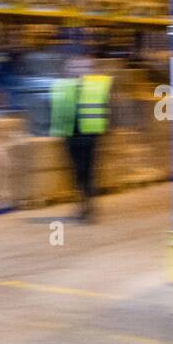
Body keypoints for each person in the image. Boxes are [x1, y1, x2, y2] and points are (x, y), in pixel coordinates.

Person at [49, 55, 112, 222]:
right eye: (74, 67)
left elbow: (106, 109)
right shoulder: (64, 88)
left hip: (89, 137)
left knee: (87, 171)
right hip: (71, 136)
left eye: (83, 67)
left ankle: (88, 206)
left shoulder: (96, 88)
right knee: (76, 172)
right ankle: (83, 204)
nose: (78, 71)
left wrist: (104, 129)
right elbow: (58, 111)